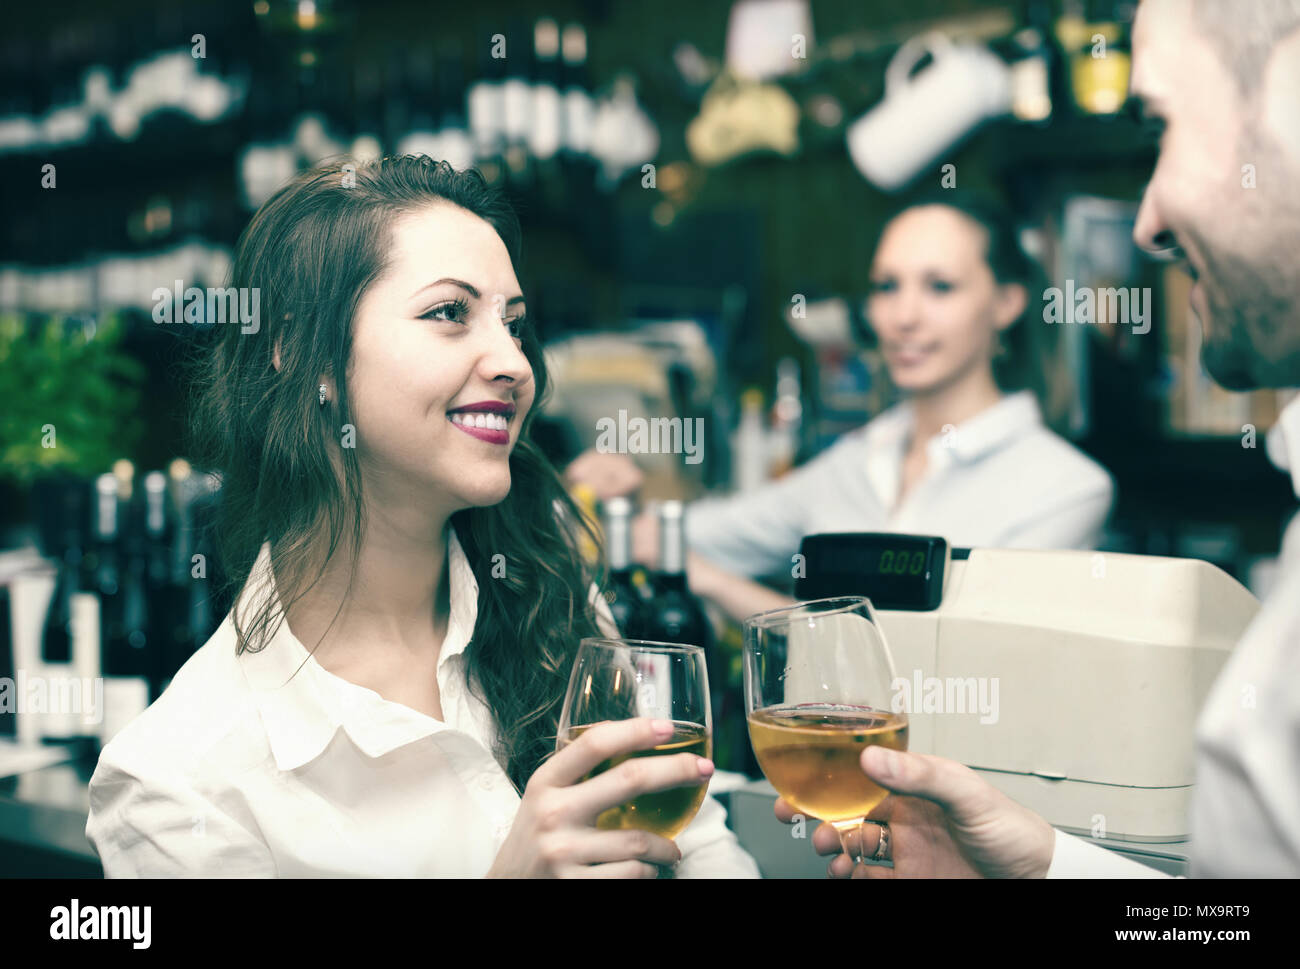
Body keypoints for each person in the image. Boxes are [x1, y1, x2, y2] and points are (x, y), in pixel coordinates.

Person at [83, 156, 759, 878]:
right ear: (299, 351)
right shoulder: (177, 782)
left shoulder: (551, 597)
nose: (514, 362)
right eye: (448, 313)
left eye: (514, 323)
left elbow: (701, 849)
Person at [778, 0, 1300, 879]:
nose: (1146, 225)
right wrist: (1037, 866)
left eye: (1163, 124)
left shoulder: (1064, 482)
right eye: (887, 286)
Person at [604, 194, 1116, 623]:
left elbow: (934, 666)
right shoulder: (859, 459)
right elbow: (699, 534)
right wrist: (605, 498)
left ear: (1006, 303)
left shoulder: (1065, 490)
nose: (903, 317)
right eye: (887, 287)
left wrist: (714, 584)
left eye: (940, 287)